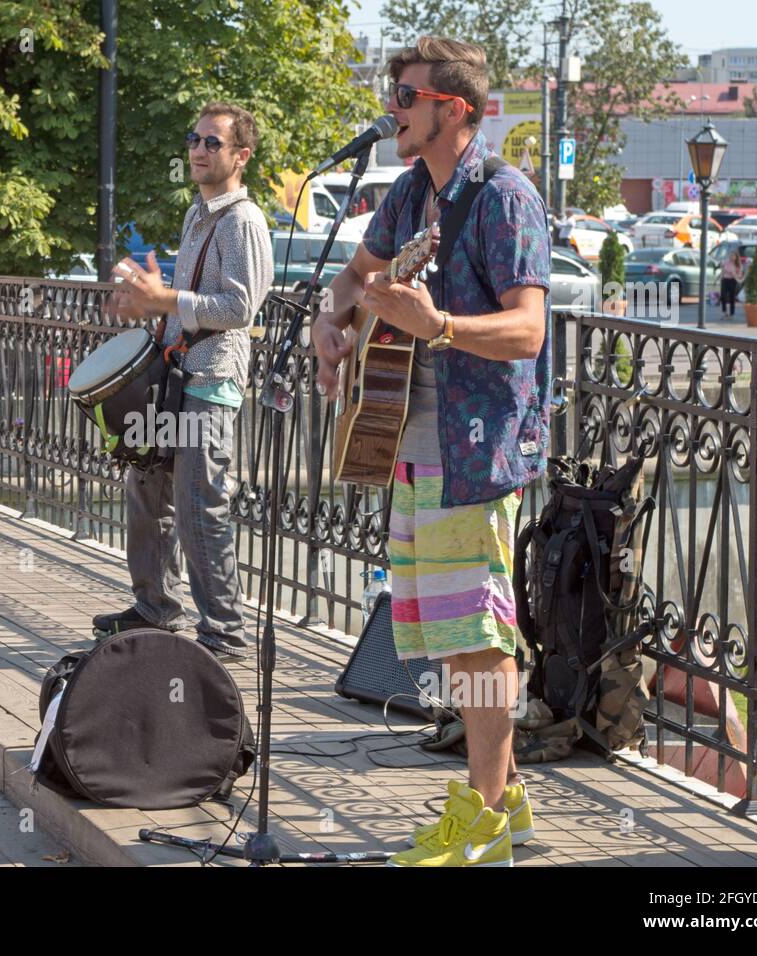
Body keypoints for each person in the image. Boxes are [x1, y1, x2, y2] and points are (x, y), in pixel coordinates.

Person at [314, 36, 551, 867]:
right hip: (412, 444)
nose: (393, 109)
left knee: (477, 635)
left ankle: (484, 823)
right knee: (450, 632)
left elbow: (529, 329)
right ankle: (506, 804)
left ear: (452, 109)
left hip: (475, 449)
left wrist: (441, 325)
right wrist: (330, 322)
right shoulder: (412, 191)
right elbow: (355, 279)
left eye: (405, 97)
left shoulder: (505, 197)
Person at [94, 101, 273, 661]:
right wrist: (148, 306)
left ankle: (223, 633)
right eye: (194, 140)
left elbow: (240, 308)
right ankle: (154, 609)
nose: (198, 150)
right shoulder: (198, 213)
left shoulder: (244, 220)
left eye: (212, 143)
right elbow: (189, 300)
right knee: (148, 493)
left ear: (241, 156)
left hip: (212, 381)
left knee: (200, 508)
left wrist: (166, 299)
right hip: (177, 373)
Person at [720, 248, 744, 317]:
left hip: (733, 281)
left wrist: (734, 273)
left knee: (731, 297)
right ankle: (724, 311)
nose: (731, 257)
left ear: (736, 257)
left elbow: (739, 275)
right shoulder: (726, 262)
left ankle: (731, 313)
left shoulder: (738, 265)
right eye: (730, 256)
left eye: (733, 256)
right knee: (723, 296)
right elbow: (723, 269)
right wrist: (722, 275)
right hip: (725, 280)